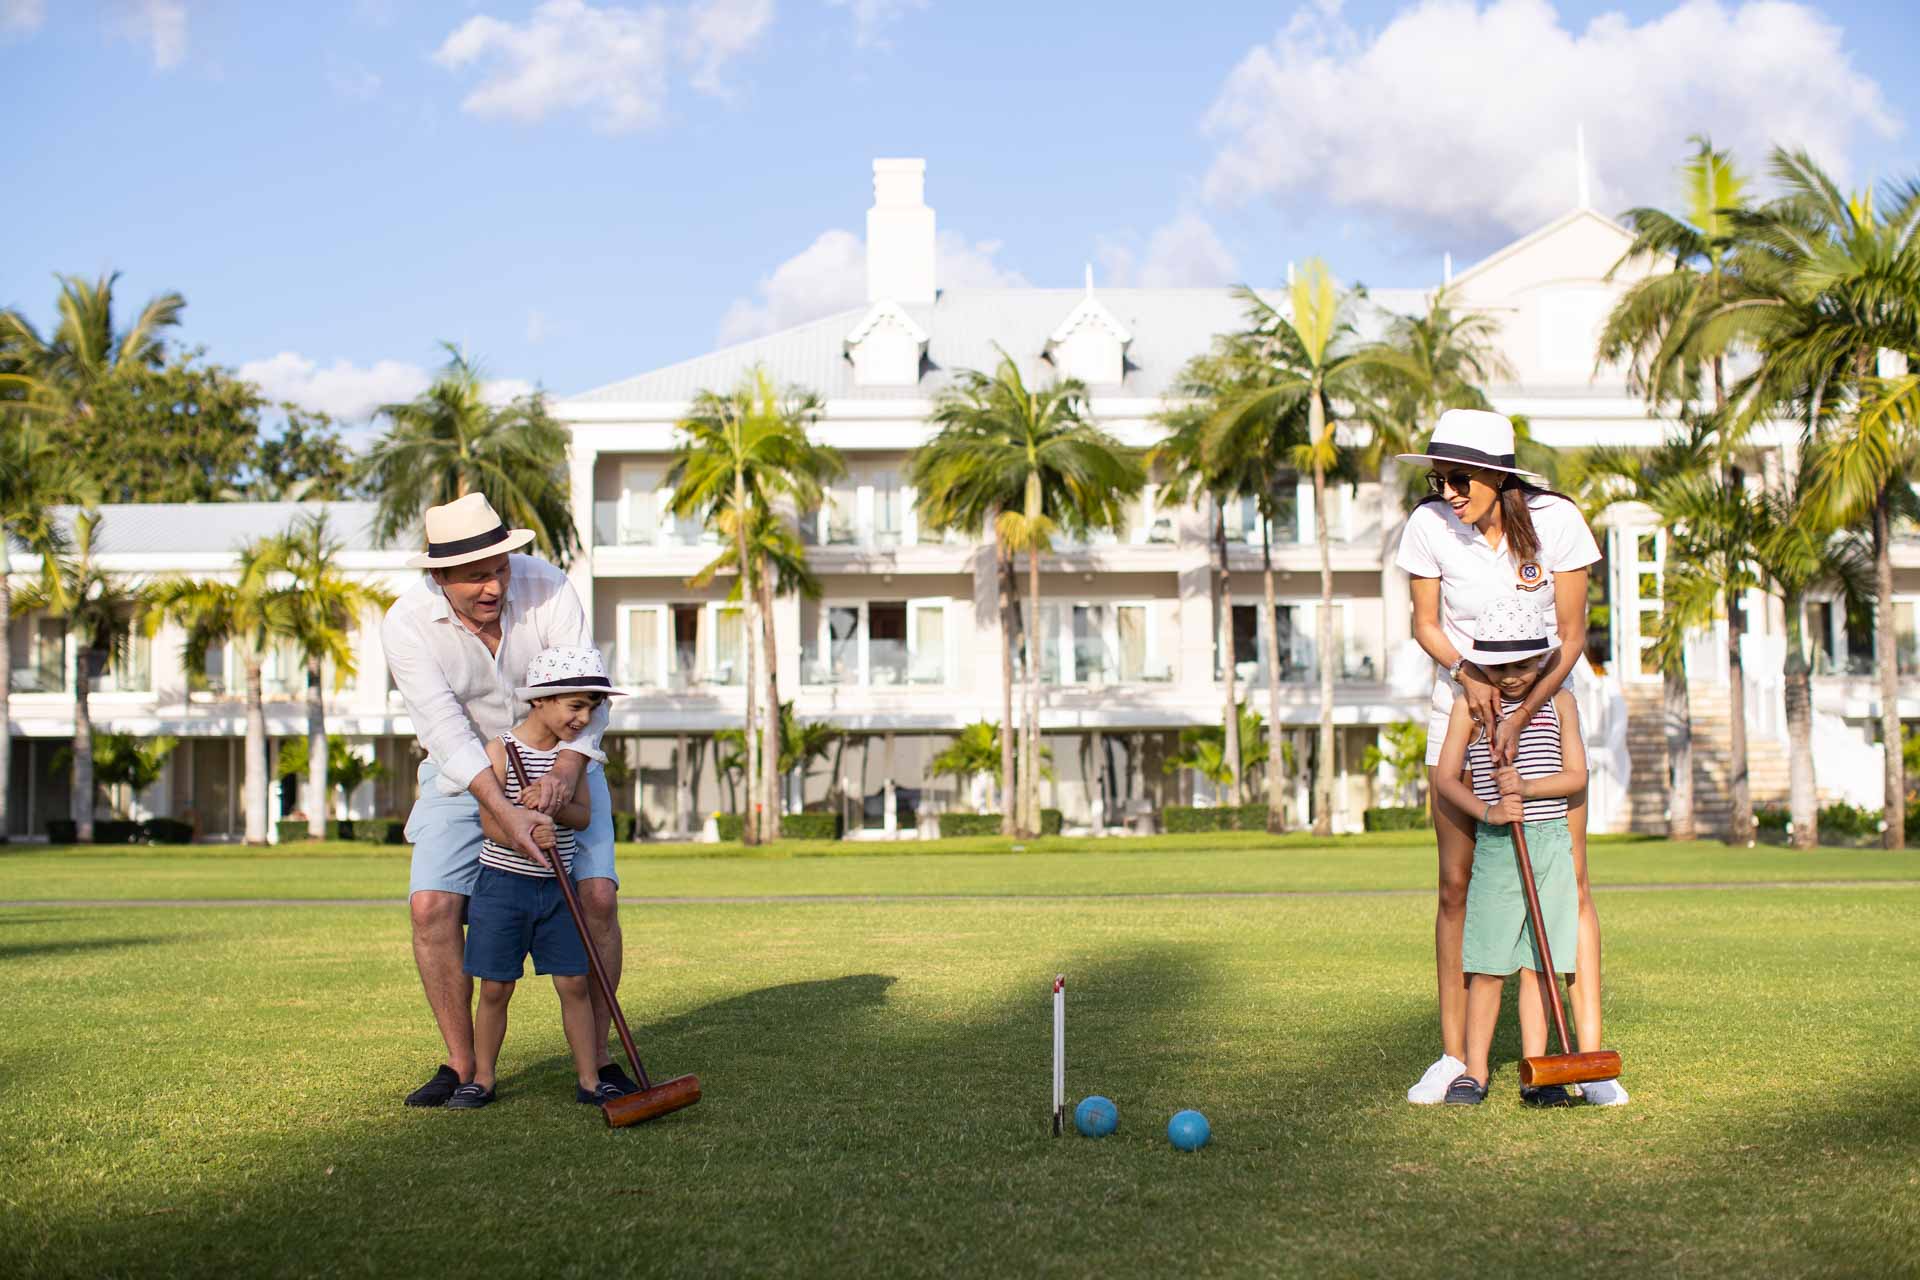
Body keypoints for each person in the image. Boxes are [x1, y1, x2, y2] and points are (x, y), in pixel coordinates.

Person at [1394, 408, 1627, 1107]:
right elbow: (1426, 626)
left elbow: (1572, 634)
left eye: (1459, 478)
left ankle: (1588, 1060)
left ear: (1498, 476)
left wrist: (1524, 712)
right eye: (1438, 478)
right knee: (1457, 886)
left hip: (1547, 705)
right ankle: (1455, 1057)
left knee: (1569, 884)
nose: (1448, 492)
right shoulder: (1429, 525)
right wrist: (1471, 681)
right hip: (1460, 706)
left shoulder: (1556, 522)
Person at [382, 493, 636, 1107]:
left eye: (498, 567)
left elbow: (588, 698)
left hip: (567, 758)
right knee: (431, 907)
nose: (493, 585)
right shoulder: (407, 623)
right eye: (474, 577)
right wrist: (505, 809)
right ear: (439, 576)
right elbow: (444, 729)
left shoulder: (549, 587)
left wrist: (565, 773)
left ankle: (597, 1064)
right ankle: (465, 1067)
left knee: (597, 894)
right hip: (461, 772)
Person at [448, 648, 628, 1110]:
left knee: (572, 983)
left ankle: (590, 1080)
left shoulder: (576, 758)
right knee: (496, 986)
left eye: (591, 707)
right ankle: (482, 1079)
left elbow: (583, 817)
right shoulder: (501, 750)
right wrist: (523, 824)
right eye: (576, 706)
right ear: (541, 701)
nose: (584, 717)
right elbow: (490, 825)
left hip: (557, 890)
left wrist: (553, 808)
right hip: (503, 888)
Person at [1429, 597, 1588, 1106]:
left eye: (1524, 665)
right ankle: (1473, 1073)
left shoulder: (1560, 702)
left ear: (1542, 660)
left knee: (1539, 965)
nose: (1513, 677)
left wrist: (1528, 787)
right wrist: (1489, 812)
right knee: (1489, 963)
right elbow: (1444, 778)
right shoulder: (1468, 708)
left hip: (1549, 845)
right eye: (1501, 666)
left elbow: (1577, 776)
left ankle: (1536, 1073)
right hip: (1500, 847)